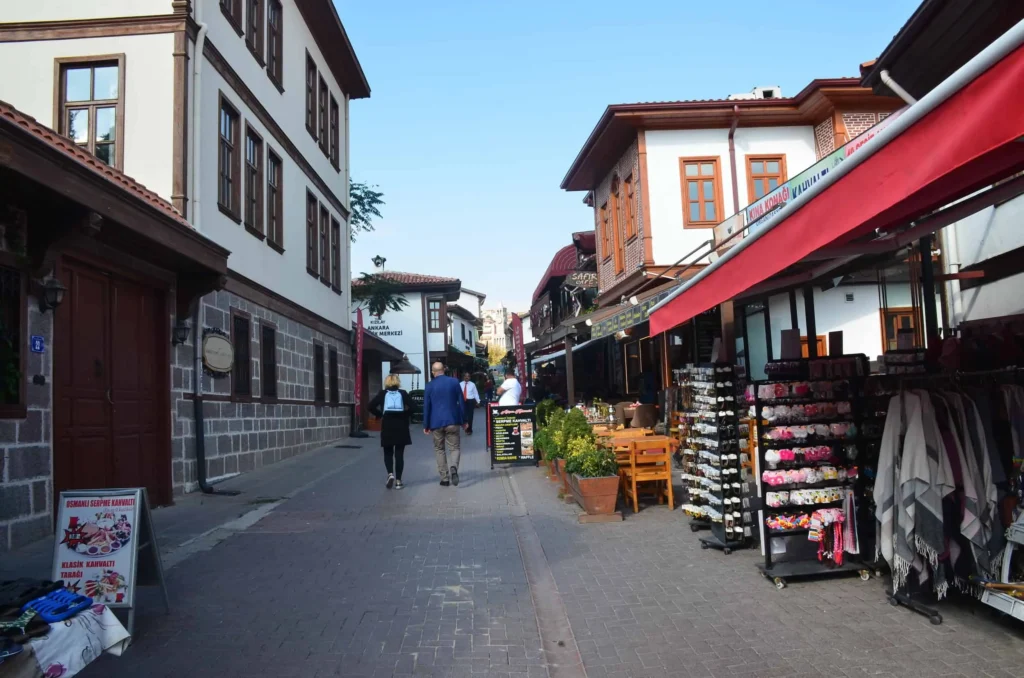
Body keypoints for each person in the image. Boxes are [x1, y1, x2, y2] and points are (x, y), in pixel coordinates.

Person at [423, 362, 464, 486]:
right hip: (452, 420)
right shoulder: (454, 382)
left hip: (436, 423)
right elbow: (461, 402)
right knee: (455, 447)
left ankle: (444, 478)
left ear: (433, 371)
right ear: (444, 370)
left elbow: (426, 406)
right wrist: (464, 421)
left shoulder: (429, 385)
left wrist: (426, 425)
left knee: (439, 449)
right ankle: (454, 467)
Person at [367, 374, 412, 489]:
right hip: (401, 426)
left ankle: (390, 474)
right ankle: (398, 481)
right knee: (399, 454)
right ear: (398, 382)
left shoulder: (382, 394)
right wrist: (404, 415)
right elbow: (414, 407)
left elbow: (370, 406)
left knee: (388, 452)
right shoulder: (403, 393)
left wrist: (380, 414)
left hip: (387, 425)